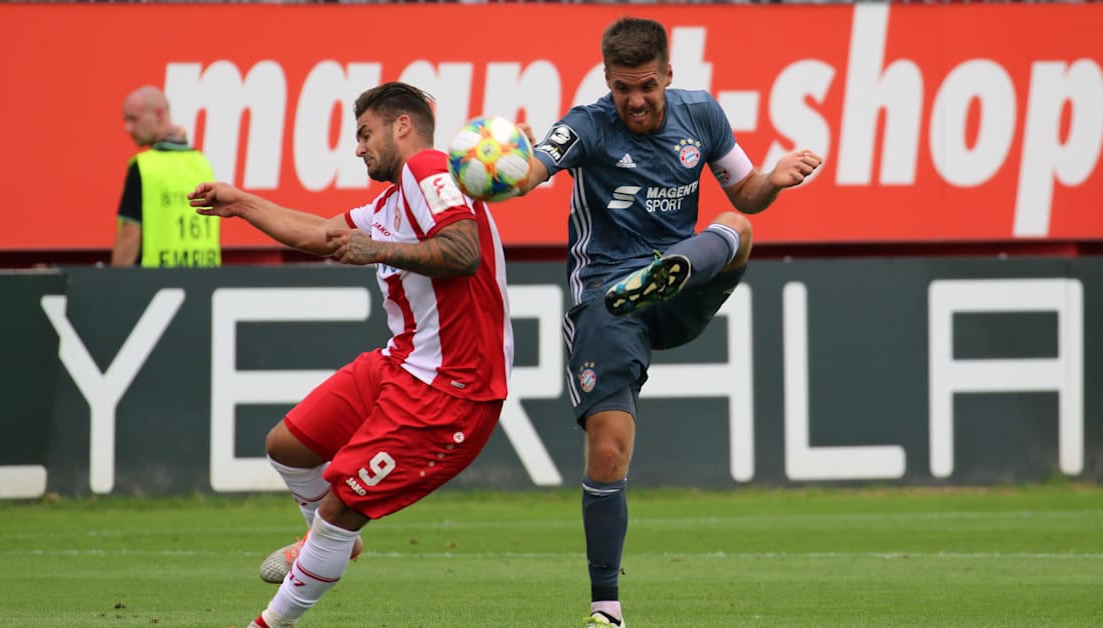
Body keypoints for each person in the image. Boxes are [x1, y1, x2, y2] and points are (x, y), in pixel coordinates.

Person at [516, 17, 824, 628]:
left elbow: (748, 192)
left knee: (738, 226)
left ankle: (669, 271)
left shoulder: (701, 114)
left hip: (674, 285)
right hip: (607, 297)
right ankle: (607, 607)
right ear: (607, 79)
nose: (634, 100)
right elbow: (530, 175)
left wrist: (775, 180)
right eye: (622, 87)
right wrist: (513, 158)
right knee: (608, 448)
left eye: (647, 86)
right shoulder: (585, 125)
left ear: (668, 76)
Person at [188, 82, 513, 628]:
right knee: (287, 447)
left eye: (365, 134)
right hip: (401, 364)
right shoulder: (391, 201)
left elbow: (463, 252)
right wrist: (242, 204)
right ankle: (328, 542)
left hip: (451, 388)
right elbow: (320, 234)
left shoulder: (428, 168)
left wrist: (378, 250)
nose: (358, 148)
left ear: (402, 126)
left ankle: (276, 613)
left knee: (339, 509)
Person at [113, 85, 220, 267]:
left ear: (159, 114)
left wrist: (113, 280)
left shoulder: (144, 167)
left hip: (155, 279)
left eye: (134, 119)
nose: (128, 128)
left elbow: (129, 236)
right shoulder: (202, 162)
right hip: (205, 276)